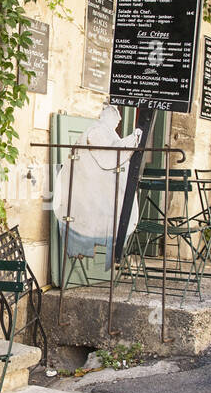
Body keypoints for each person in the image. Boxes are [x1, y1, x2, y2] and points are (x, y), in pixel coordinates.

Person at [52, 104, 143, 269]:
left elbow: (113, 150)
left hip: (95, 193)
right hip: (85, 194)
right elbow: (108, 157)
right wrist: (132, 140)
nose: (117, 123)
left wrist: (131, 140)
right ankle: (95, 258)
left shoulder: (107, 131)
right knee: (92, 225)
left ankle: (110, 257)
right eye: (116, 120)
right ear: (109, 117)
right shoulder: (97, 131)